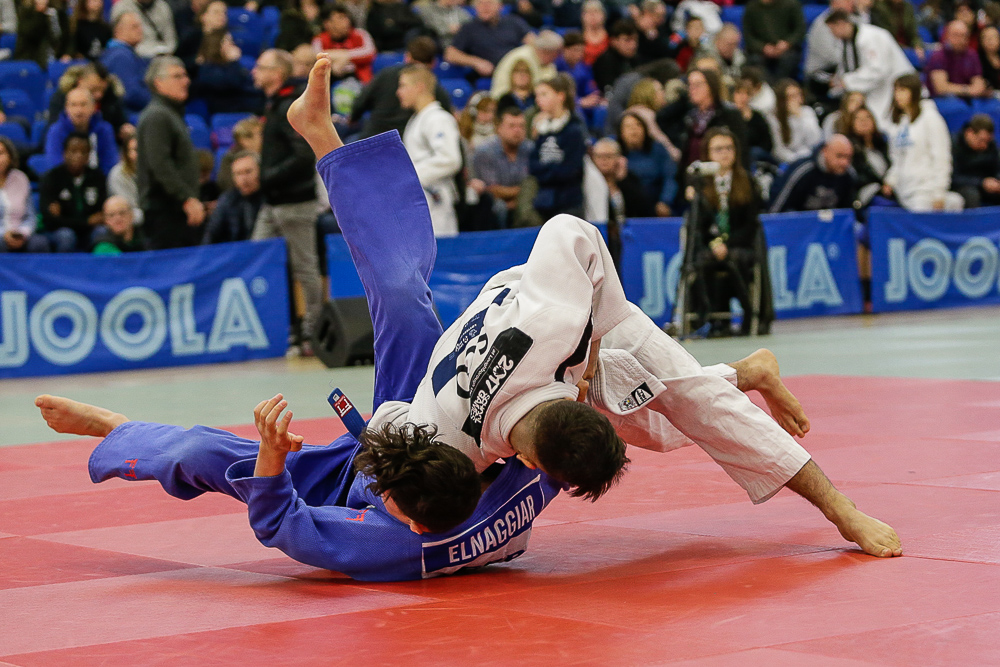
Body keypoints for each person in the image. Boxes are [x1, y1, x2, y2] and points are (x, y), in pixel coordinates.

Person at [251, 48, 324, 351]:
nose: (254, 71)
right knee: (257, 258)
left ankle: (315, 331)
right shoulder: (275, 103)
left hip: (295, 202)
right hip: (273, 203)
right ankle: (279, 327)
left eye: (261, 66)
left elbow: (303, 155)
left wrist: (267, 177)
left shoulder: (288, 107)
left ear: (276, 74)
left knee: (305, 268)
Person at [685, 127, 763, 337]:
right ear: (708, 154)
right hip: (710, 246)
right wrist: (715, 244)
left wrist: (727, 246)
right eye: (718, 149)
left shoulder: (748, 182)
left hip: (739, 245)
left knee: (734, 261)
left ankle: (750, 316)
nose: (725, 153)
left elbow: (750, 225)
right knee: (702, 262)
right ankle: (708, 320)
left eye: (729, 148)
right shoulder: (699, 185)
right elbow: (697, 228)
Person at [137, 56, 204, 249]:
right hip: (165, 212)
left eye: (185, 75)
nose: (186, 81)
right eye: (178, 76)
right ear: (158, 83)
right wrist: (186, 198)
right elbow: (160, 164)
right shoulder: (158, 116)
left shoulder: (170, 114)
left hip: (173, 209)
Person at [882, 73, 965, 211]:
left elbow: (941, 157)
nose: (898, 95)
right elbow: (897, 158)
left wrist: (939, 193)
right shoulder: (898, 124)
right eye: (896, 90)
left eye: (903, 90)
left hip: (927, 191)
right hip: (904, 190)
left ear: (914, 92)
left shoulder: (931, 118)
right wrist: (891, 180)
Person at [398, 64, 462, 237]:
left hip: (436, 200)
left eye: (403, 85)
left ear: (419, 87)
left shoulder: (437, 118)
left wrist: (409, 177)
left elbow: (450, 159)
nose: (398, 92)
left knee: (440, 256)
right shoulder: (418, 119)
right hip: (420, 199)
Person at [825, 10, 916, 129]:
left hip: (892, 85)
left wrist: (847, 81)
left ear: (841, 24)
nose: (832, 34)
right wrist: (839, 80)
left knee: (885, 123)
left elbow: (878, 70)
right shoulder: (846, 42)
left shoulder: (871, 37)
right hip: (874, 88)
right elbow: (847, 68)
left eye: (832, 29)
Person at [350, 36, 452, 140]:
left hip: (373, 140)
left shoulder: (386, 74)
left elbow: (360, 103)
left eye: (403, 86)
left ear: (407, 56)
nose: (398, 93)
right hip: (403, 145)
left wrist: (352, 119)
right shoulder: (434, 85)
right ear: (434, 63)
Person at [656, 68, 748, 173]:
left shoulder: (729, 114)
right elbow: (661, 119)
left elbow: (742, 150)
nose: (691, 89)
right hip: (692, 174)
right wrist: (682, 100)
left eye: (697, 85)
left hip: (721, 175)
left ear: (711, 86)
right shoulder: (688, 114)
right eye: (689, 85)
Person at [529, 74, 586, 221]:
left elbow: (570, 169)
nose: (538, 99)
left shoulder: (574, 129)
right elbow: (533, 164)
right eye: (537, 95)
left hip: (569, 202)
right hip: (544, 200)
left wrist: (546, 171)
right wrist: (550, 170)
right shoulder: (542, 129)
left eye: (544, 94)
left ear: (560, 96)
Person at [590, 136, 653, 268]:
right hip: (600, 240)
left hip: (630, 240)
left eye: (608, 156)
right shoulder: (587, 185)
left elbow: (644, 207)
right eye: (599, 156)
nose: (603, 161)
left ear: (618, 158)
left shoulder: (630, 180)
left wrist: (624, 181)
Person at [39, 133, 107, 252]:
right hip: (59, 232)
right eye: (73, 151)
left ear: (89, 155)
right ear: (65, 153)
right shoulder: (52, 178)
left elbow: (101, 215)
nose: (79, 155)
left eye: (84, 152)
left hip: (90, 232)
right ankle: (62, 269)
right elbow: (51, 220)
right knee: (66, 236)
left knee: (102, 232)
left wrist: (65, 217)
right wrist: (87, 221)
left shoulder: (98, 177)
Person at [470, 106, 532, 228]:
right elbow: (491, 190)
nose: (517, 130)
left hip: (524, 201)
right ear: (499, 128)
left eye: (521, 126)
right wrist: (523, 193)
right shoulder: (485, 152)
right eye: (512, 126)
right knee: (499, 207)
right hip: (492, 205)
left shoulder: (531, 149)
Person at [768, 134, 858, 213]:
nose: (844, 162)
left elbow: (848, 213)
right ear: (825, 151)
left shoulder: (848, 175)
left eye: (848, 157)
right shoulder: (803, 170)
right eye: (839, 156)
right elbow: (776, 209)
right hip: (798, 226)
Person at [44, 87, 119, 177]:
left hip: (99, 184)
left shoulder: (104, 130)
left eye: (83, 104)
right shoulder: (56, 131)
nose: (79, 111)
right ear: (66, 108)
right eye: (73, 105)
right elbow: (54, 165)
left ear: (93, 107)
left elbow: (110, 163)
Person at [48, 63, 132, 143]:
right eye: (93, 89)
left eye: (102, 90)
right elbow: (53, 129)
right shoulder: (62, 97)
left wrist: (123, 131)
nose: (99, 95)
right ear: (80, 82)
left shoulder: (111, 99)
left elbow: (120, 124)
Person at [446, 0, 530, 78]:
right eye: (480, 4)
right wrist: (476, 62)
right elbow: (451, 54)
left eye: (489, 3)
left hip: (517, 69)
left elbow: (532, 42)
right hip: (492, 74)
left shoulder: (513, 22)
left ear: (500, 6)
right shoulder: (469, 28)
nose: (484, 7)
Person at [617, 110, 676, 216]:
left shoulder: (658, 150)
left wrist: (665, 201)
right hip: (625, 205)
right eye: (628, 126)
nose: (634, 130)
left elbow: (670, 177)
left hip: (655, 204)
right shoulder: (615, 151)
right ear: (621, 132)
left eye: (638, 125)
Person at [190, 28, 260, 115]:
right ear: (216, 44)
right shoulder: (207, 68)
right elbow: (233, 83)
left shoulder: (232, 66)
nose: (233, 44)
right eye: (228, 41)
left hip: (251, 108)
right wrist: (233, 61)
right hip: (230, 112)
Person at [803, 0, 856, 107]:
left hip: (841, 69)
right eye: (846, 1)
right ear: (834, 3)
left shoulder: (851, 19)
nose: (851, 3)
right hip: (821, 73)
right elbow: (833, 57)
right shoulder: (823, 24)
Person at [203, 150, 263, 243]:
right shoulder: (227, 200)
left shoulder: (272, 197)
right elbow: (211, 235)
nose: (244, 179)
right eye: (238, 173)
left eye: (248, 172)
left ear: (260, 171)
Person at [0, 137, 47, 254]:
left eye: (1, 153)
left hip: (20, 233)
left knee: (39, 243)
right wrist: (4, 234)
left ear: (10, 156)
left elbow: (31, 216)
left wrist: (23, 233)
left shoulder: (21, 178)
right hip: (1, 235)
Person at [741, 0, 806, 82]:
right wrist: (762, 47)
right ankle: (766, 88)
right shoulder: (751, 7)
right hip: (760, 51)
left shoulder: (792, 4)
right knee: (755, 61)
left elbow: (800, 30)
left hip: (787, 49)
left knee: (788, 60)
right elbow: (748, 35)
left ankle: (780, 88)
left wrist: (787, 43)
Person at [312, 3, 376, 85]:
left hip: (360, 81)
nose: (346, 22)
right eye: (340, 18)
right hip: (330, 82)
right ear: (327, 23)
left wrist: (345, 57)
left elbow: (370, 53)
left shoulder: (361, 34)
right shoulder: (319, 39)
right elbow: (317, 56)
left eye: (346, 17)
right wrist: (342, 57)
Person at [101, 12, 151, 115]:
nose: (140, 30)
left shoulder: (125, 53)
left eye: (140, 26)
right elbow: (131, 94)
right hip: (130, 114)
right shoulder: (121, 56)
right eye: (134, 26)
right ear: (118, 30)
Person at [925, 20, 989, 98]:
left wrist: (978, 88)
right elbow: (941, 88)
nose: (961, 40)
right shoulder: (938, 56)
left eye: (965, 36)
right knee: (959, 108)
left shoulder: (972, 54)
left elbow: (977, 82)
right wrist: (968, 90)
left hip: (969, 97)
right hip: (944, 99)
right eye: (957, 35)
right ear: (947, 36)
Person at [490, 29, 562, 99]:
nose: (555, 58)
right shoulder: (522, 58)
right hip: (506, 99)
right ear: (545, 51)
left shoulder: (548, 63)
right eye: (555, 54)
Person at [768, 79, 823, 164]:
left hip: (807, 157)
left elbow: (815, 140)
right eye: (791, 96)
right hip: (787, 161)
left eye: (798, 95)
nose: (796, 99)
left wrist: (800, 117)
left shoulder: (807, 112)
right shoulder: (774, 118)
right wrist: (796, 161)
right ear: (782, 100)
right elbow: (779, 150)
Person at [844, 105, 890, 207]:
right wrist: (880, 187)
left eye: (867, 117)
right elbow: (855, 177)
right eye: (858, 119)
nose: (863, 121)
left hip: (889, 190)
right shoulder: (849, 148)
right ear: (851, 123)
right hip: (864, 194)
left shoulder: (883, 144)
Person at [951, 114, 1000, 208]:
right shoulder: (953, 145)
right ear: (969, 132)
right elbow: (953, 178)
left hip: (987, 186)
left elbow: (997, 169)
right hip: (962, 186)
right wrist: (981, 182)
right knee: (971, 194)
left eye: (987, 141)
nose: (984, 145)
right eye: (981, 140)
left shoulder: (991, 146)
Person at [110, 0, 177, 59]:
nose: (139, 30)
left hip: (163, 55)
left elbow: (171, 39)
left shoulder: (163, 6)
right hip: (136, 54)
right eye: (135, 26)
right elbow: (119, 39)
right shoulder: (122, 7)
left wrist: (165, 52)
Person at [592, 18, 639, 93]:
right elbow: (609, 91)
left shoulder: (635, 58)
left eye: (635, 40)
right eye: (627, 40)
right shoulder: (605, 62)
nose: (633, 45)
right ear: (613, 41)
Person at [732, 80, 773, 164]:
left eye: (746, 93)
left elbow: (768, 142)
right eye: (739, 93)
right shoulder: (728, 115)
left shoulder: (758, 116)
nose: (742, 97)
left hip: (757, 155)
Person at [217, 116, 263, 192]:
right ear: (243, 139)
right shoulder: (230, 159)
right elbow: (227, 185)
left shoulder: (265, 154)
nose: (263, 139)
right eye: (260, 134)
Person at [107, 135, 142, 224]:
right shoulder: (117, 174)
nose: (140, 154)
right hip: (125, 220)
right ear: (126, 153)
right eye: (135, 150)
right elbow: (125, 210)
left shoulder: (154, 171)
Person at [580, 0, 607, 66]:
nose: (593, 15)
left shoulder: (612, 37)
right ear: (582, 16)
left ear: (603, 15)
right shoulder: (577, 38)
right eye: (588, 12)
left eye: (596, 11)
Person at [978, 25, 1000, 90]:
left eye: (994, 37)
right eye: (986, 37)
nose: (990, 41)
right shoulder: (977, 59)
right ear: (981, 41)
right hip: (987, 96)